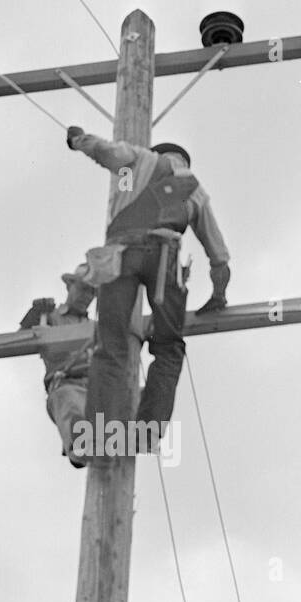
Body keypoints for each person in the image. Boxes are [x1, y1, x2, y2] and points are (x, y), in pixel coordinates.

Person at [65, 127, 231, 459]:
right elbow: (219, 256)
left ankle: (96, 436)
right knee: (169, 348)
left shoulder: (140, 159)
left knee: (110, 346)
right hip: (165, 263)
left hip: (120, 260)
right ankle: (146, 433)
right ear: (183, 161)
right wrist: (218, 295)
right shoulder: (194, 188)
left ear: (159, 153)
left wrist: (78, 140)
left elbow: (105, 150)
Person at [19, 268, 96, 469]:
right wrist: (33, 315)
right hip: (67, 382)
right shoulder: (50, 317)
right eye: (83, 289)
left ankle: (130, 437)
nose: (87, 296)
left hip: (98, 387)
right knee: (68, 401)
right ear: (69, 286)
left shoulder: (97, 326)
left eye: (92, 292)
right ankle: (81, 446)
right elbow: (19, 340)